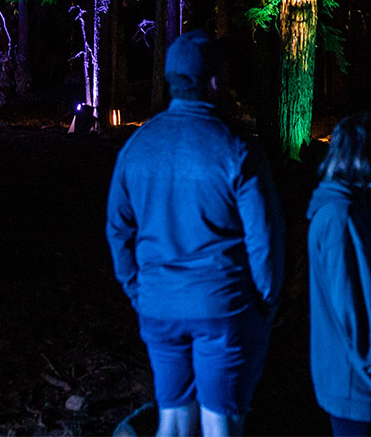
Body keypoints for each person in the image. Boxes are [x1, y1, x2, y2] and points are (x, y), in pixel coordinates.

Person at [106, 30, 285, 437]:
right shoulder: (236, 149)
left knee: (171, 418)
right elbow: (264, 236)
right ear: (217, 81)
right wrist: (265, 299)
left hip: (158, 304)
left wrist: (137, 287)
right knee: (220, 420)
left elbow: (118, 229)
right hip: (220, 305)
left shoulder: (137, 146)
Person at [307, 113, 371, 437]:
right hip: (356, 384)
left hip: (352, 380)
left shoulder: (347, 210)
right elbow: (353, 308)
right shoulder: (342, 218)